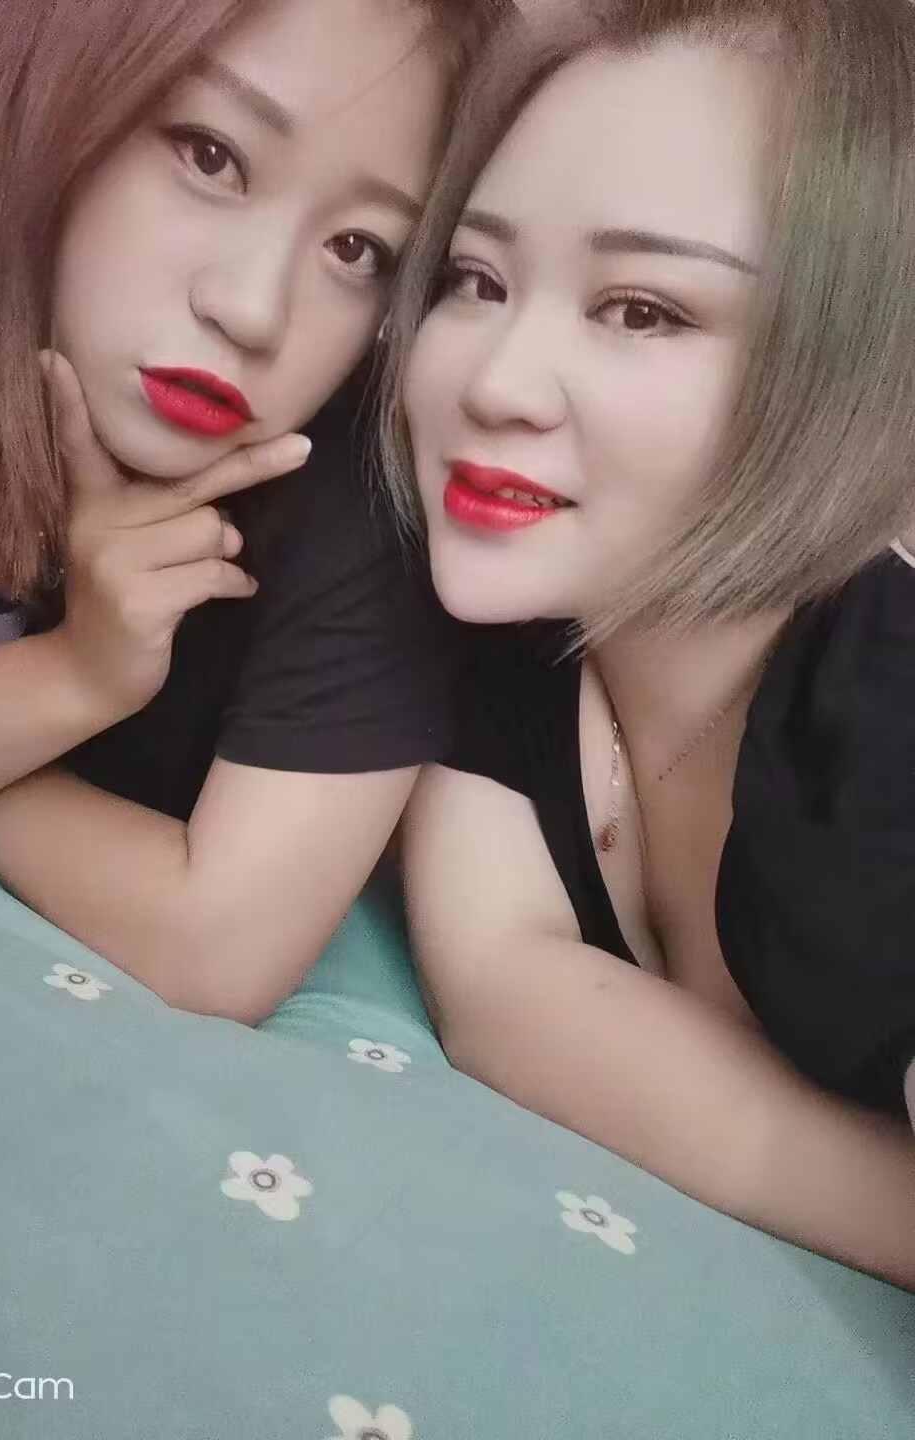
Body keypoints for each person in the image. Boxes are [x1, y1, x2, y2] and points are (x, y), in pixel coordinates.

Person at [379, 0, 915, 1284]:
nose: (496, 381)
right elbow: (501, 986)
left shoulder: (882, 724)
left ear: (850, 371)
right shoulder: (520, 633)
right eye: (476, 279)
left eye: (642, 310)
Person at [0, 0, 503, 1021]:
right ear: (46, 94)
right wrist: (74, 674)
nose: (253, 309)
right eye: (210, 155)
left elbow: (216, 950)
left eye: (359, 248)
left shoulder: (377, 485)